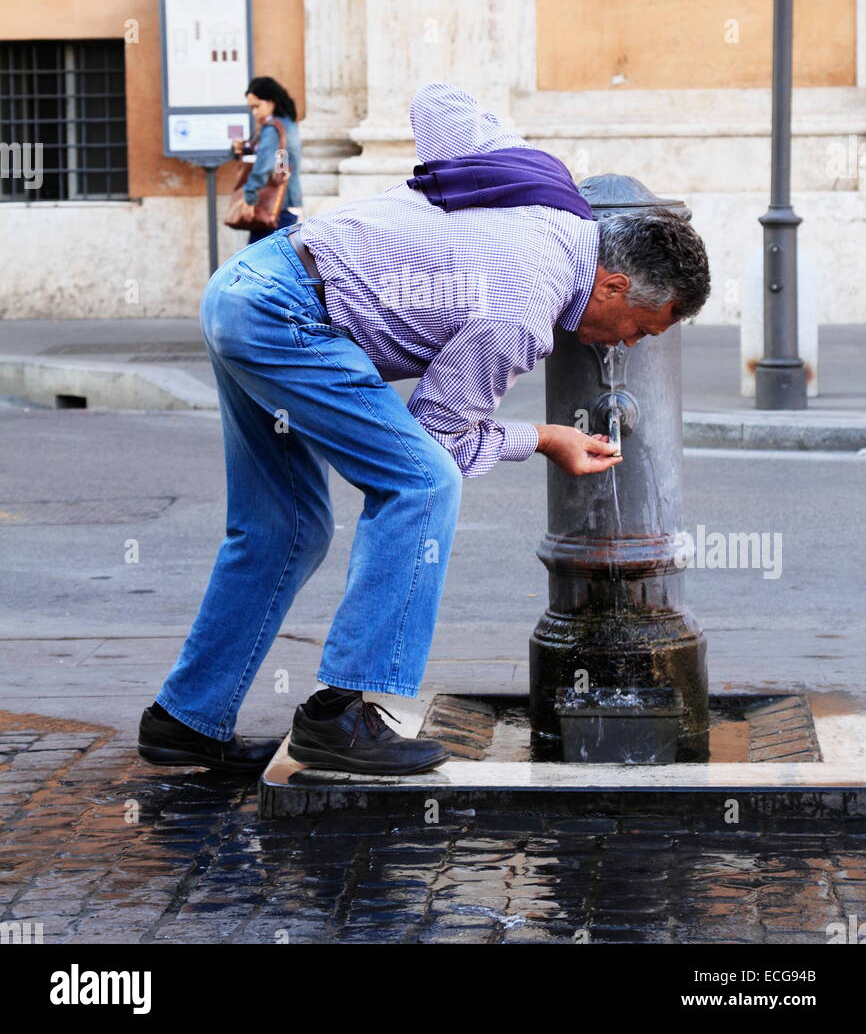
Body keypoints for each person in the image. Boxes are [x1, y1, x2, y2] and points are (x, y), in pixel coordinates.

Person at [138, 82, 710, 777]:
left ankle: (184, 721)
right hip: (289, 317)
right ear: (616, 286)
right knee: (423, 485)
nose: (631, 347)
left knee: (286, 528)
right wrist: (545, 438)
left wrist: (485, 167)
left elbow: (436, 104)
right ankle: (338, 715)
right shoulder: (520, 316)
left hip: (250, 284)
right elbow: (436, 439)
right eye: (643, 330)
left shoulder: (548, 189)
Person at [232, 75, 304, 244]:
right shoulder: (287, 124)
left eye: (257, 106)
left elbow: (264, 166)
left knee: (257, 263)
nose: (254, 112)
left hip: (274, 206)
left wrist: (249, 199)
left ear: (271, 102)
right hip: (288, 203)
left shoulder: (272, 130)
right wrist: (245, 148)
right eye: (251, 108)